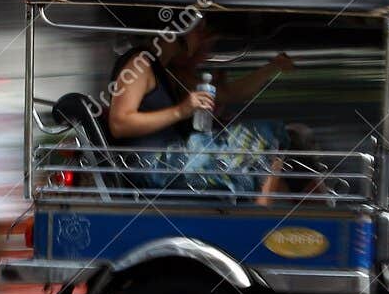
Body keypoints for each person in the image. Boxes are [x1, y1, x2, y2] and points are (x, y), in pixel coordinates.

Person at [105, 18, 296, 200]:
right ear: (181, 28)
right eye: (199, 28)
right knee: (268, 135)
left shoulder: (166, 69)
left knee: (271, 137)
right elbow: (120, 123)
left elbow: (227, 93)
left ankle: (268, 217)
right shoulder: (140, 63)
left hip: (171, 159)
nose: (202, 36)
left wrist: (273, 67)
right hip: (153, 165)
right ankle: (260, 220)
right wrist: (182, 110)